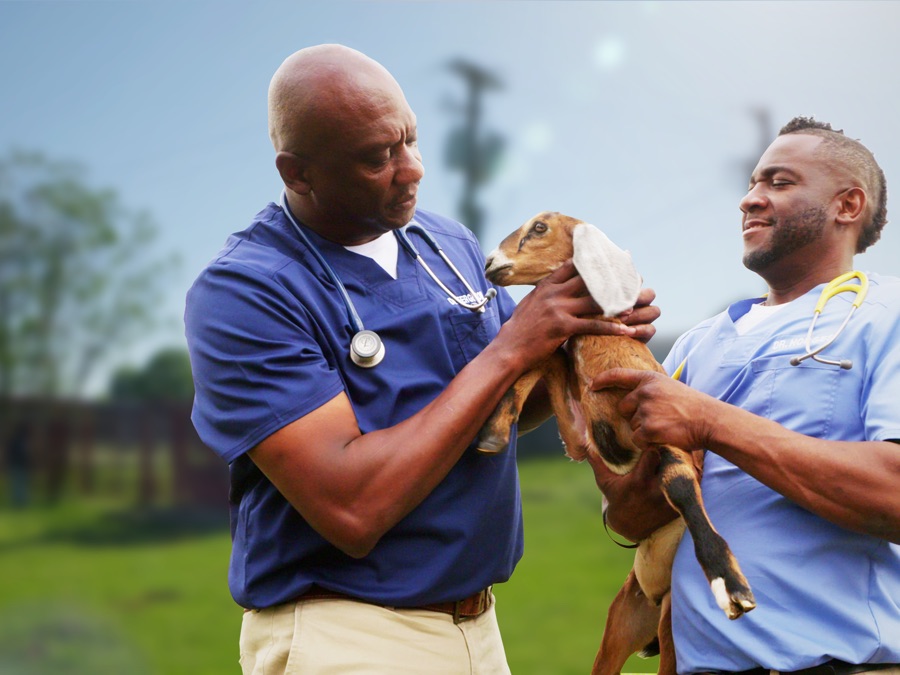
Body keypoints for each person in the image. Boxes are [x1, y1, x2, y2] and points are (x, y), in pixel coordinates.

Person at [184, 43, 659, 674]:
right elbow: (353, 508)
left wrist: (587, 342)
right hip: (348, 633)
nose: (413, 170)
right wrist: (514, 345)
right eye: (379, 156)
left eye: (410, 140)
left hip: (479, 627)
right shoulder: (246, 292)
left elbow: (503, 409)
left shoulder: (446, 244)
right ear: (298, 173)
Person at [596, 117, 900, 674]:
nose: (749, 200)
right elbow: (626, 520)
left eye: (779, 183)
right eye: (753, 183)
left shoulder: (886, 316)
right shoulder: (696, 344)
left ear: (848, 205)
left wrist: (708, 423)